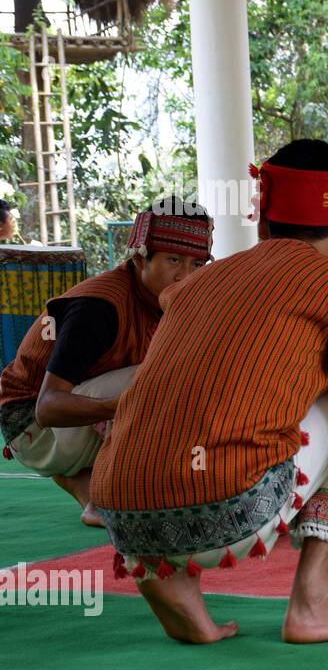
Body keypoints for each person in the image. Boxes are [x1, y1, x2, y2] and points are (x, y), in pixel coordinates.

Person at [89, 139, 328, 644]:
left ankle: (173, 587)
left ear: (264, 221)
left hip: (121, 514)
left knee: (177, 413)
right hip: (227, 511)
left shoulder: (195, 285)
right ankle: (314, 603)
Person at [0, 198, 212, 525]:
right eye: (173, 260)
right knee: (164, 377)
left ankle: (97, 498)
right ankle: (119, 488)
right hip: (31, 425)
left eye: (198, 265)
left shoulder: (171, 300)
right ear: (140, 258)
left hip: (70, 428)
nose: (185, 276)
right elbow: (48, 407)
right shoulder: (99, 308)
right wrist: (126, 406)